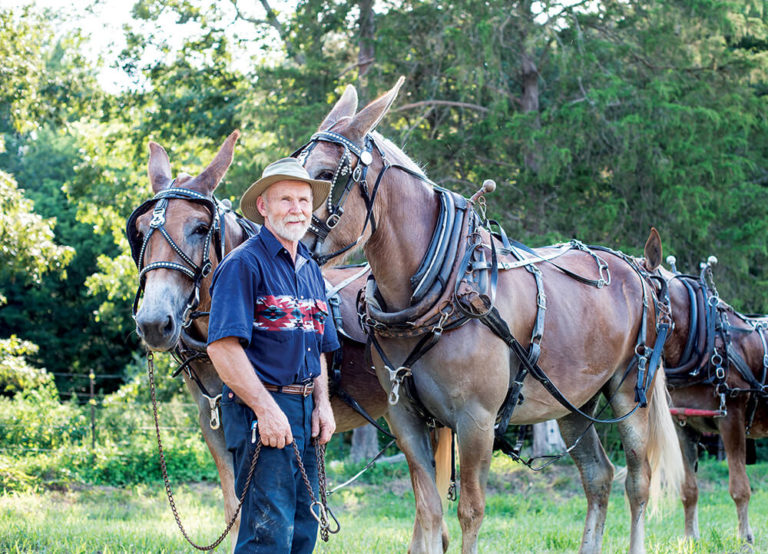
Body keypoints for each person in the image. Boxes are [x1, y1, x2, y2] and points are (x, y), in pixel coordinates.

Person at [206, 157, 339, 553]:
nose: (297, 209)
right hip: (260, 409)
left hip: (304, 413)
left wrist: (323, 404)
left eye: (303, 200)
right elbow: (222, 347)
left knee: (303, 528)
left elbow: (317, 347)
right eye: (285, 200)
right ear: (263, 206)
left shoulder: (310, 269)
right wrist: (266, 409)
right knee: (268, 534)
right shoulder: (243, 265)